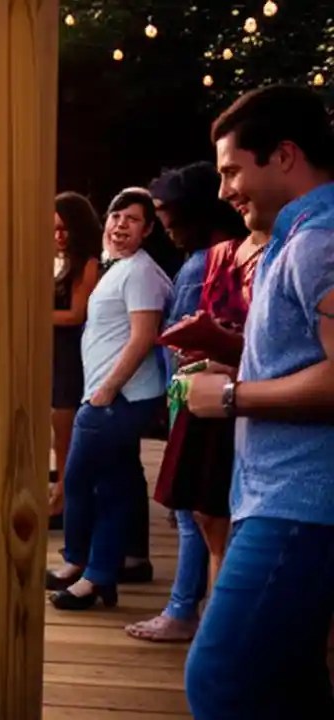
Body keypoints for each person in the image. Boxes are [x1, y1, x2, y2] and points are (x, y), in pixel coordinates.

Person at [183, 84, 334, 718]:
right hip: (281, 499)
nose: (223, 191)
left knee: (218, 677)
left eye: (232, 171)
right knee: (290, 687)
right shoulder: (296, 238)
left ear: (285, 155)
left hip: (299, 506)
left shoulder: (317, 242)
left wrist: (234, 395)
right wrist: (237, 360)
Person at [125, 161, 253, 643]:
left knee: (196, 512)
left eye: (167, 214)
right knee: (203, 513)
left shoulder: (206, 261)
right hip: (203, 395)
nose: (166, 226)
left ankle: (186, 611)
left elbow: (193, 338)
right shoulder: (217, 255)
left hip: (202, 397)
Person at [45, 188, 172, 611]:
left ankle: (86, 568)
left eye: (133, 220)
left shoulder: (141, 273)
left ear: (148, 230)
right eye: (116, 215)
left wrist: (107, 389)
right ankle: (93, 571)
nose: (121, 225)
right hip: (108, 395)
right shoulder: (119, 267)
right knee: (112, 485)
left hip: (120, 398)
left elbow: (142, 338)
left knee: (81, 479)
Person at [48, 192, 103, 526]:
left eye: (65, 229)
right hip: (54, 352)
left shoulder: (88, 263)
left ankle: (64, 500)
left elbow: (75, 314)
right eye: (54, 229)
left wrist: (33, 314)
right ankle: (60, 493)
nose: (59, 236)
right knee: (57, 428)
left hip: (71, 351)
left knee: (65, 426)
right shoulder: (58, 260)